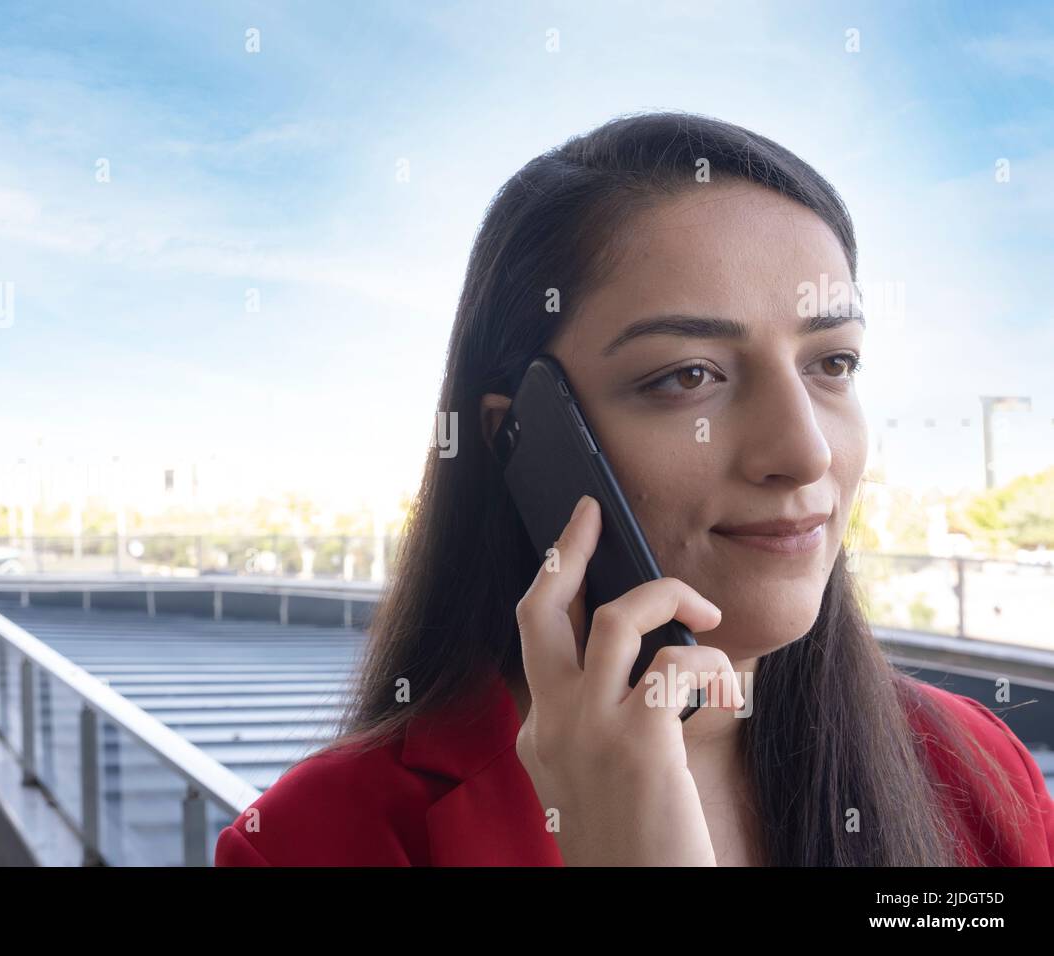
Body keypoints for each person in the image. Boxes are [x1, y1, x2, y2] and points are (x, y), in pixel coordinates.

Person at [214, 111, 1054, 867]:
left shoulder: (978, 763)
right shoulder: (317, 843)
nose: (803, 453)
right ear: (527, 442)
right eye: (689, 375)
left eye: (832, 363)